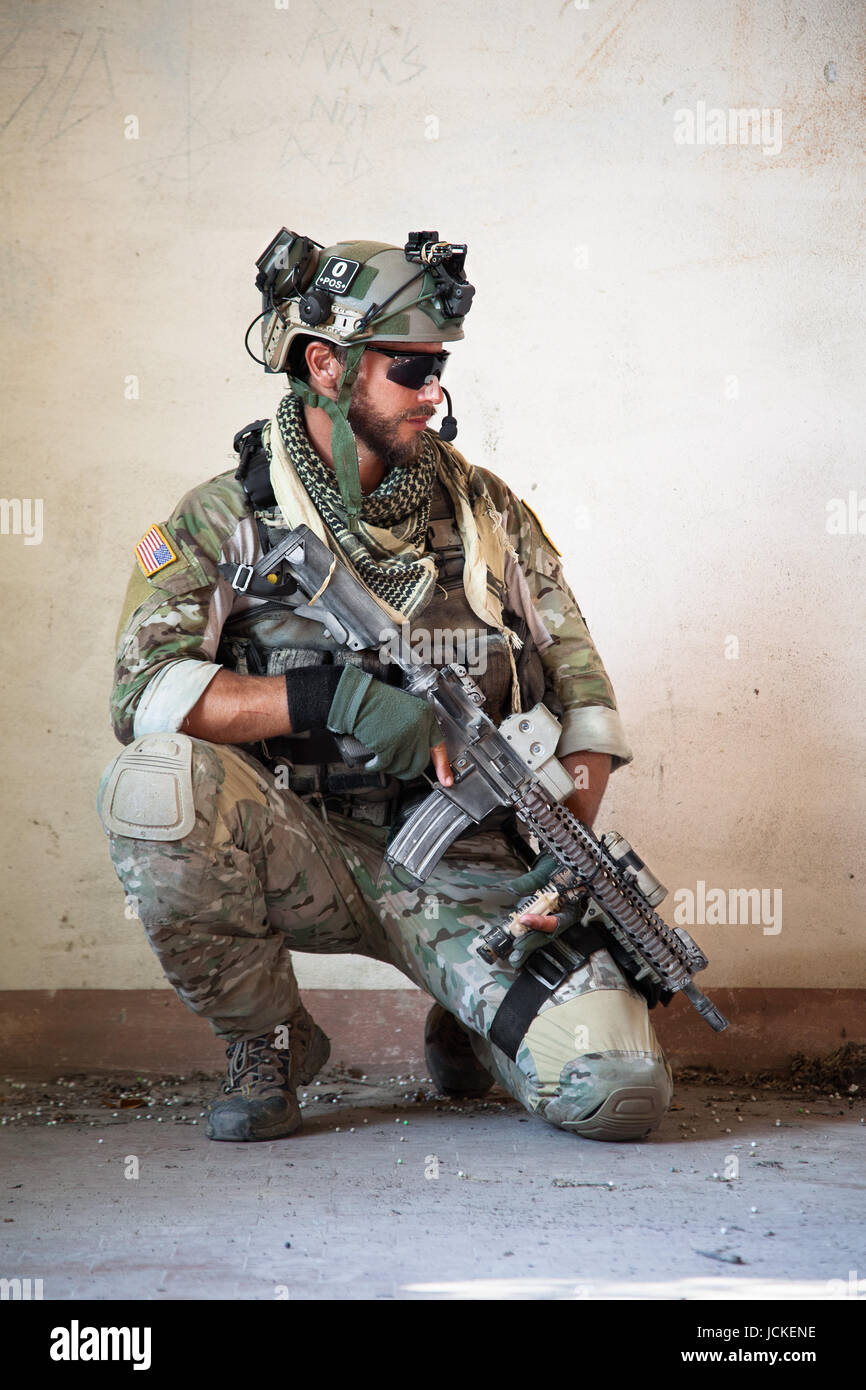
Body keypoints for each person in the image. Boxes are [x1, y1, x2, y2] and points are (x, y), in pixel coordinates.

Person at [97, 228, 673, 1144]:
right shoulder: (225, 520)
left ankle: (469, 1012)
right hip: (301, 844)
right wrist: (333, 700)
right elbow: (146, 695)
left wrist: (563, 842)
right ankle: (271, 1041)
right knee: (154, 783)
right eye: (409, 370)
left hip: (468, 867)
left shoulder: (485, 511)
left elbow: (583, 695)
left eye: (438, 368)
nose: (434, 391)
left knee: (615, 1093)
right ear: (327, 367)